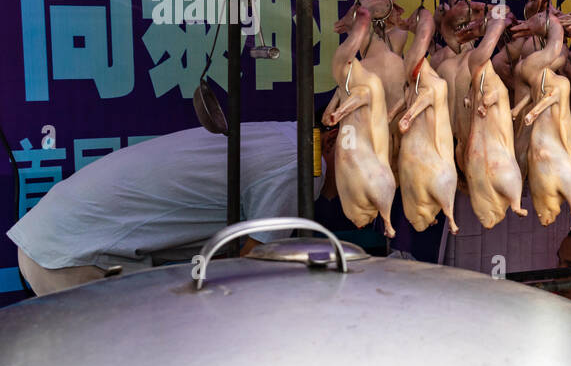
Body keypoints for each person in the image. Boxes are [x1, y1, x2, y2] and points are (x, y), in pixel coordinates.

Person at [7, 120, 337, 296]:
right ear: (335, 135)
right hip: (74, 254)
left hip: (60, 237)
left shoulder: (286, 136)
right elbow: (253, 267)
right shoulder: (303, 161)